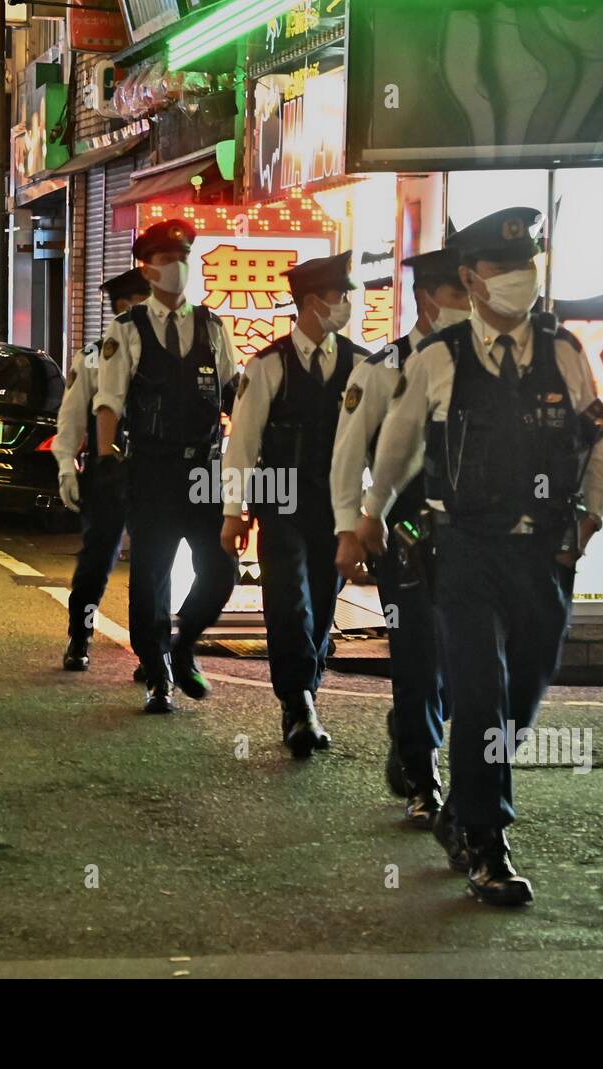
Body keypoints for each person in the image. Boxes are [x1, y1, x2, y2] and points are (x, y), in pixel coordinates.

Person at [358, 208, 603, 905]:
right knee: (477, 690)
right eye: (504, 269)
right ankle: (488, 843)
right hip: (465, 548)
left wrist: (590, 516)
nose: (519, 279)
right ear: (472, 280)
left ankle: (463, 807)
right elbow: (399, 447)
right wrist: (368, 519)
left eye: (527, 264)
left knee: (523, 694)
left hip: (542, 552)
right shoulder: (439, 359)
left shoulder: (563, 350)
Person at [330, 248, 469, 824]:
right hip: (405, 533)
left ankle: (416, 728)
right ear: (430, 297)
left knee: (465, 663)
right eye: (464, 293)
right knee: (415, 653)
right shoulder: (384, 368)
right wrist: (350, 528)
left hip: (475, 538)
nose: (475, 304)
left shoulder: (490, 361)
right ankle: (422, 774)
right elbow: (348, 455)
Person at [220, 251, 371, 759]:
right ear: (313, 301)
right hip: (279, 492)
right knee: (289, 598)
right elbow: (243, 443)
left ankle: (306, 691)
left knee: (323, 602)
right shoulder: (268, 365)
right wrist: (233, 512)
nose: (349, 304)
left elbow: (375, 441)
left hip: (338, 498)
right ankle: (298, 701)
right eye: (341, 296)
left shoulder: (360, 364)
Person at [92, 219, 239, 714]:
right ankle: (156, 670)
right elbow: (109, 402)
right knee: (151, 572)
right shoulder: (127, 330)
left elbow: (233, 392)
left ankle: (184, 643)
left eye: (183, 258)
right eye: (166, 260)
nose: (177, 268)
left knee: (220, 569)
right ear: (148, 270)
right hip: (151, 468)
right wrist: (106, 458)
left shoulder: (213, 327)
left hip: (204, 470)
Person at [53, 267, 151, 671]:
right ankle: (81, 634)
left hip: (157, 472)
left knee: (152, 564)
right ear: (122, 310)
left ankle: (151, 651)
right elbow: (73, 415)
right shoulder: (95, 354)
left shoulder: (177, 353)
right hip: (109, 469)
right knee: (98, 560)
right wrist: (65, 465)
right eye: (137, 306)